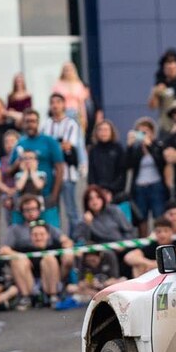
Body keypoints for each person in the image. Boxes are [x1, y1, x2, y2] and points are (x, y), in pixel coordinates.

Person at [0, 195, 74, 309]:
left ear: (39, 210)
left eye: (33, 209)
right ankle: (26, 297)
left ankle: (53, 295)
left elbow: (66, 241)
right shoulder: (15, 230)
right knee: (17, 260)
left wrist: (66, 247)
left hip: (49, 268)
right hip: (27, 270)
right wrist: (20, 256)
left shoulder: (48, 227)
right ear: (22, 212)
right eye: (27, 210)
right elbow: (3, 250)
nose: (31, 212)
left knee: (49, 258)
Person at [45, 93, 86, 233]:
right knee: (52, 209)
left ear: (63, 105)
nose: (55, 105)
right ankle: (56, 238)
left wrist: (54, 146)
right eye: (52, 103)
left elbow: (68, 145)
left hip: (68, 174)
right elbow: (48, 146)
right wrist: (58, 144)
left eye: (58, 102)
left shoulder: (71, 123)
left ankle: (76, 238)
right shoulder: (46, 124)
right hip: (51, 175)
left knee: (71, 210)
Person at [127, 116, 167, 234]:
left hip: (156, 186)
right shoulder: (136, 149)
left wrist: (149, 146)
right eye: (140, 132)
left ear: (152, 132)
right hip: (140, 187)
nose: (143, 135)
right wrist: (129, 147)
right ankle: (144, 241)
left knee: (159, 215)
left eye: (146, 132)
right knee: (141, 217)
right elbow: (127, 164)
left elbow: (161, 162)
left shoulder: (158, 145)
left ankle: (159, 238)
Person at [86, 120, 131, 218]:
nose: (103, 133)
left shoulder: (118, 149)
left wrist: (110, 190)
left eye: (106, 130)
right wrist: (98, 192)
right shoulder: (93, 150)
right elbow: (91, 174)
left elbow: (122, 173)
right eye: (101, 130)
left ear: (111, 132)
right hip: (98, 194)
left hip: (116, 193)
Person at [51, 61, 91, 133]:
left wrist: (84, 117)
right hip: (62, 114)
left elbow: (81, 103)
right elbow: (54, 102)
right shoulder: (58, 85)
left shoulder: (78, 84)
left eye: (70, 70)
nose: (68, 72)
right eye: (66, 70)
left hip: (76, 114)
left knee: (77, 135)